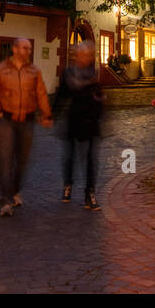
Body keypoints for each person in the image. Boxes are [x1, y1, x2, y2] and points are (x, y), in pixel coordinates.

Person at [0, 38, 52, 217]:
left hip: (28, 121)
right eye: (24, 48)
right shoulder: (1, 69)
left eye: (29, 48)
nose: (27, 51)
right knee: (6, 160)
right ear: (14, 49)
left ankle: (14, 190)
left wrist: (47, 114)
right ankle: (6, 200)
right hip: (6, 120)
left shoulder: (34, 71)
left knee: (22, 160)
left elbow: (41, 94)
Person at [53, 40, 105, 209]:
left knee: (91, 160)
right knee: (70, 156)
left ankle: (89, 193)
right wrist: (52, 114)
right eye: (82, 55)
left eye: (88, 55)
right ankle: (68, 184)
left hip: (91, 122)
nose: (85, 58)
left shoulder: (94, 74)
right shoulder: (69, 73)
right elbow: (61, 95)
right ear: (77, 56)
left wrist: (101, 110)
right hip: (74, 120)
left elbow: (100, 97)